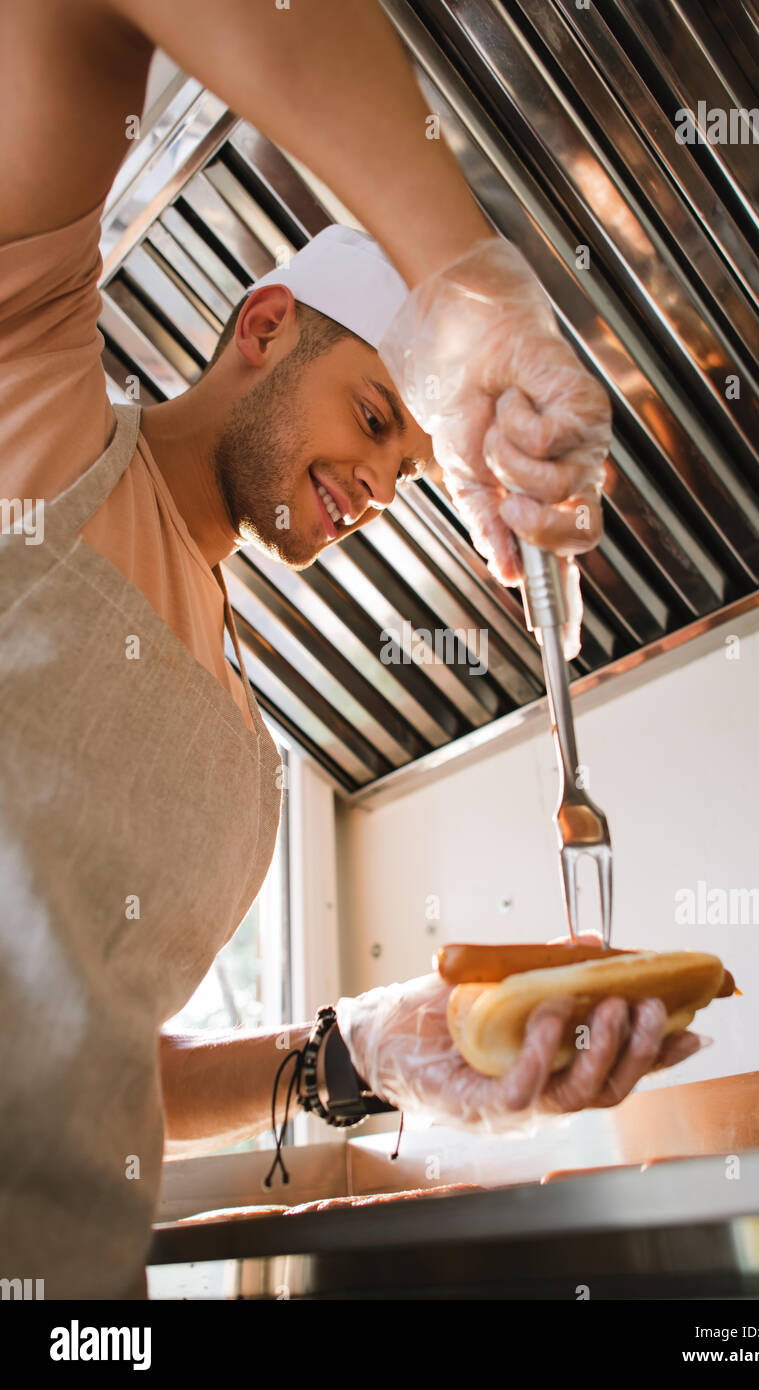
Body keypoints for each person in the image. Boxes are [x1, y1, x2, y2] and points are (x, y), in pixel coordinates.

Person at [0, 1, 702, 1299]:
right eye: (383, 413)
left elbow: (98, 1067)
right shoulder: (27, 375)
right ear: (263, 327)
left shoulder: (242, 745)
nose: (381, 481)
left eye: (406, 462)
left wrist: (365, 1052)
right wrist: (463, 288)